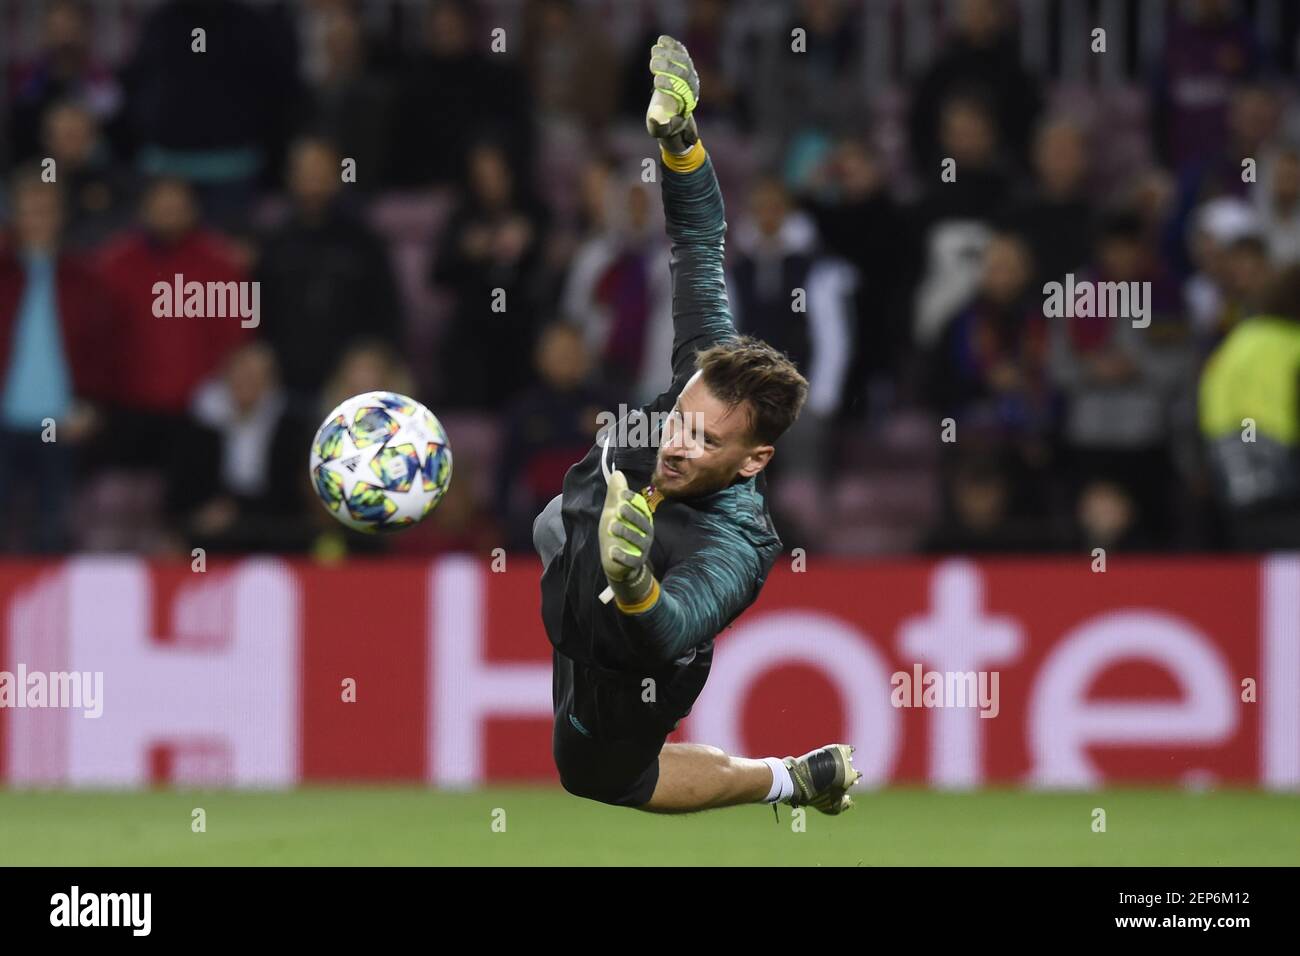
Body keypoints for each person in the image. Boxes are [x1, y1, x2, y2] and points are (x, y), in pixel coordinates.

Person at [533, 37, 860, 814]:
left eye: (709, 443)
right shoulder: (704, 370)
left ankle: (787, 778)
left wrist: (634, 580)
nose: (678, 443)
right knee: (557, 522)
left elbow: (673, 625)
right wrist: (680, 140)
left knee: (593, 776)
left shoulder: (739, 545)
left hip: (635, 656)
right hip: (584, 543)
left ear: (755, 461)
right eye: (683, 421)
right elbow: (698, 239)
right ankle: (585, 550)